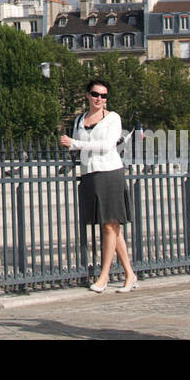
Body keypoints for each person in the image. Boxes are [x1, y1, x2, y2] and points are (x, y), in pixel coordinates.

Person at [60, 78, 138, 293]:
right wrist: (70, 145)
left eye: (103, 96)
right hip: (90, 173)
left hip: (109, 172)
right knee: (111, 226)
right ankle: (130, 273)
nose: (99, 99)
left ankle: (104, 276)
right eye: (96, 94)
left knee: (109, 225)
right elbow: (77, 148)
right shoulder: (79, 120)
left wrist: (76, 144)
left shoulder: (113, 118)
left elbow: (107, 145)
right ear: (88, 95)